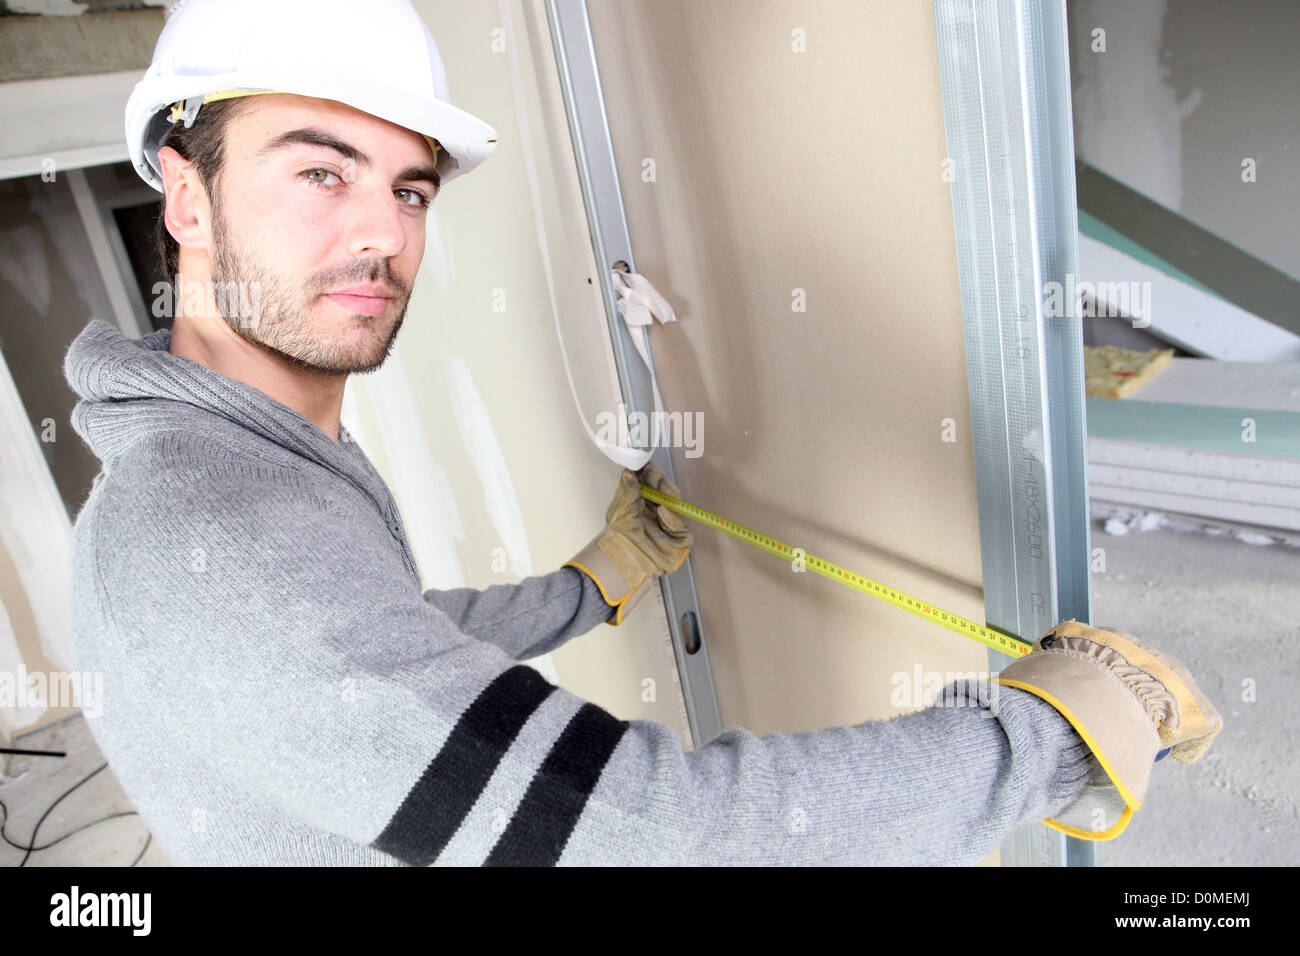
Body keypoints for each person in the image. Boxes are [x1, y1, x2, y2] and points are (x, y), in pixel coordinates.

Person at [62, 0, 1219, 866]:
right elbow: (661, 830)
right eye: (321, 169)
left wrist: (592, 580)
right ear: (187, 194)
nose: (382, 236)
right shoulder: (223, 531)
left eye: (409, 191)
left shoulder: (220, 464)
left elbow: (386, 641)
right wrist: (1053, 738)